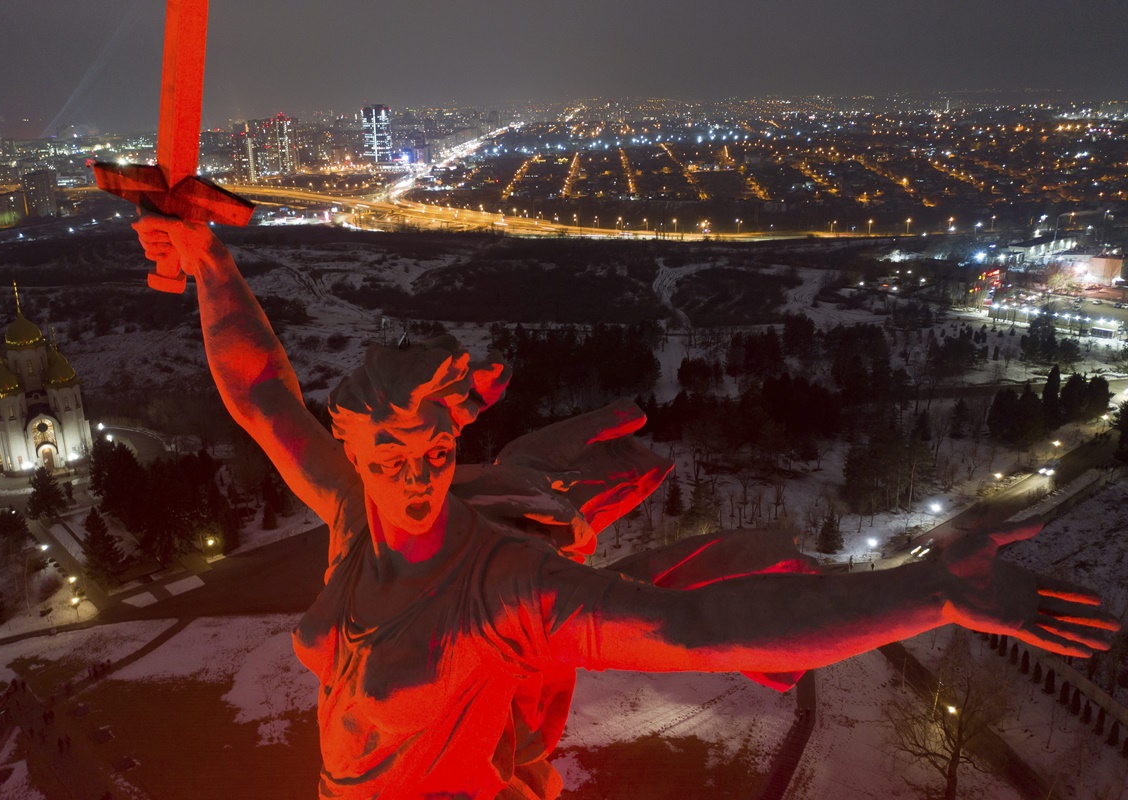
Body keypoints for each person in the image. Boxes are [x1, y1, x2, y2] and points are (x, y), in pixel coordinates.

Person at [134, 216, 1118, 800]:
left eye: (436, 451)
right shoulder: (352, 521)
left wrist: (928, 591)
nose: (419, 474)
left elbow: (702, 627)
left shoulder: (504, 586)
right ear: (353, 451)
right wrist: (212, 265)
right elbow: (263, 396)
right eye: (391, 455)